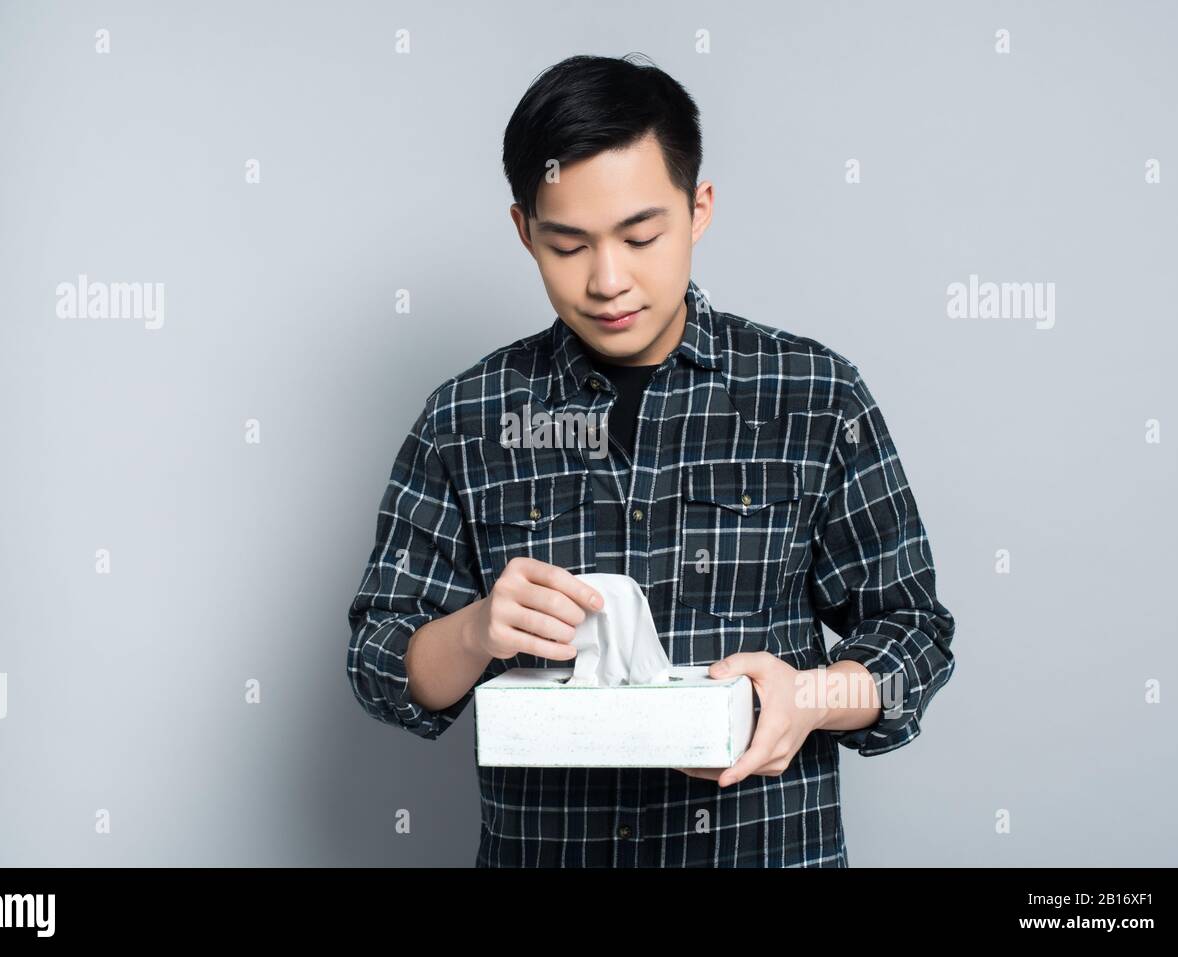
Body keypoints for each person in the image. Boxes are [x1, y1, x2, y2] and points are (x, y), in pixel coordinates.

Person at [347, 53, 956, 867]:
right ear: (525, 231)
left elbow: (914, 632)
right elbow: (381, 663)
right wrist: (476, 630)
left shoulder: (815, 395)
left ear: (698, 208)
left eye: (641, 236)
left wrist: (809, 697)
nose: (608, 280)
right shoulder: (467, 416)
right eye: (568, 245)